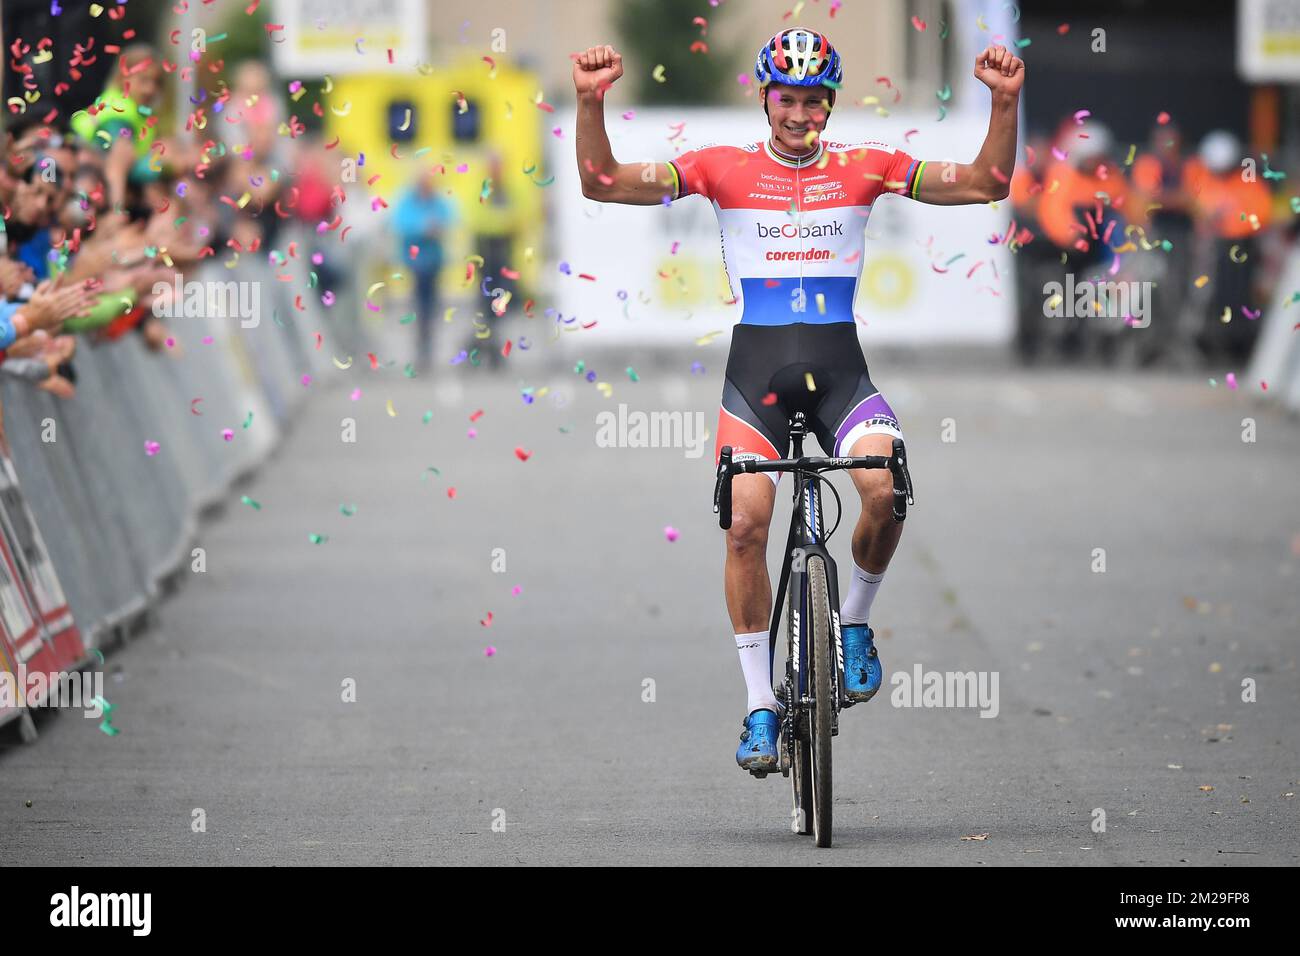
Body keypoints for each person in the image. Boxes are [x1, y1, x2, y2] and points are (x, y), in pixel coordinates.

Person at [572, 30, 1023, 773]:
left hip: (842, 375)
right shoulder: (721, 168)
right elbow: (602, 181)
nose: (802, 114)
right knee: (746, 527)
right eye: (789, 98)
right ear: (765, 98)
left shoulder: (866, 166)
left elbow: (984, 182)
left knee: (885, 489)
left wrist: (1004, 101)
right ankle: (759, 706)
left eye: (816, 101)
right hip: (758, 380)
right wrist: (591, 101)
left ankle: (852, 627)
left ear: (831, 104)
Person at [392, 170, 457, 374]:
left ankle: (427, 341)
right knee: (420, 302)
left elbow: (450, 217)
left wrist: (438, 227)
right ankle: (421, 341)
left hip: (433, 260)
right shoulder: (408, 201)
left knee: (431, 302)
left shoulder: (438, 202)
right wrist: (423, 228)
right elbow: (401, 223)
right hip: (416, 262)